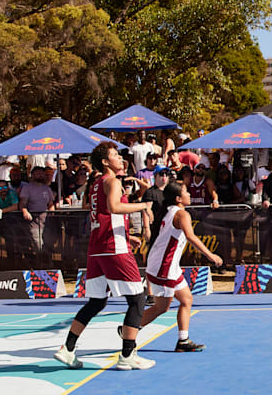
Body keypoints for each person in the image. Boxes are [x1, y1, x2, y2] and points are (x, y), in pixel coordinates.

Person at [54, 142, 156, 371]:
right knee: (138, 300)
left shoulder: (96, 184)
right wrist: (143, 206)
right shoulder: (112, 181)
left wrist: (127, 236)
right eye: (114, 155)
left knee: (97, 302)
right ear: (104, 162)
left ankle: (67, 349)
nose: (120, 158)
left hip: (98, 248)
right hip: (113, 249)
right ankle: (128, 355)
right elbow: (113, 208)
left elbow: (101, 214)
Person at [135, 182, 223, 352]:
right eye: (185, 192)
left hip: (166, 264)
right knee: (161, 307)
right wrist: (210, 255)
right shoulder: (181, 214)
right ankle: (129, 330)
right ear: (178, 199)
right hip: (164, 265)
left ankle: (183, 341)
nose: (189, 194)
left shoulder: (170, 211)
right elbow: (190, 236)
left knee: (186, 299)